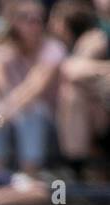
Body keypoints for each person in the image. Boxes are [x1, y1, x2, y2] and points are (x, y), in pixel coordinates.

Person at [0, 0, 67, 173]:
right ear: (13, 22)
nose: (34, 23)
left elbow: (34, 88)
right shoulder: (4, 51)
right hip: (11, 119)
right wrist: (2, 59)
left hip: (51, 126)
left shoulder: (53, 49)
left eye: (38, 18)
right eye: (26, 18)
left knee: (33, 109)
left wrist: (5, 110)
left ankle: (29, 174)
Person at [57, 0, 110, 174]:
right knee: (72, 94)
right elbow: (71, 70)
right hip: (98, 108)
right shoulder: (95, 35)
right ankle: (76, 170)